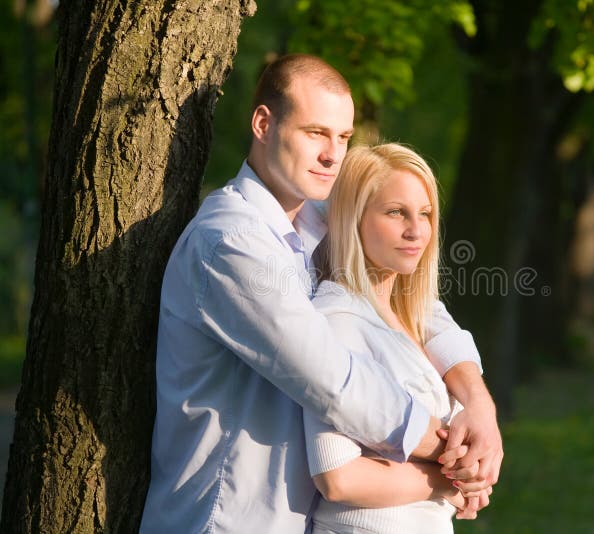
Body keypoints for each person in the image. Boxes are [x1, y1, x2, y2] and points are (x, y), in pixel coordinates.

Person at [140, 54, 502, 533]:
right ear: (264, 124)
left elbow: (411, 302)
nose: (334, 154)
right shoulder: (231, 241)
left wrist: (478, 403)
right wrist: (457, 456)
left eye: (344, 137)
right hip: (223, 519)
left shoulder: (317, 224)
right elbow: (332, 380)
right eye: (316, 133)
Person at [305, 143, 492, 534]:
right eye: (396, 212)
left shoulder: (412, 315)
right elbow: (337, 478)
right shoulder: (338, 322)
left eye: (425, 214)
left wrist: (480, 428)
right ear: (354, 219)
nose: (416, 230)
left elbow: (450, 341)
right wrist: (450, 481)